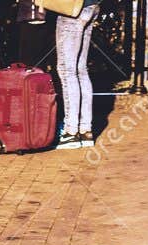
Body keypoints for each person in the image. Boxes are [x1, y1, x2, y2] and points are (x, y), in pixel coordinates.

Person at [54, 3, 97, 148]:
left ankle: (71, 132)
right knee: (81, 69)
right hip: (92, 6)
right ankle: (86, 130)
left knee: (67, 70)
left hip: (72, 9)